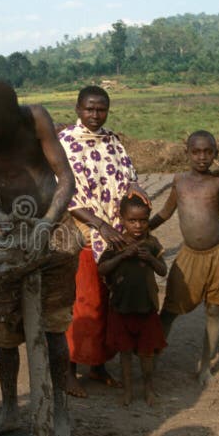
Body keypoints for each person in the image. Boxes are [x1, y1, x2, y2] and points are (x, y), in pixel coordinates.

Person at [0, 80, 81, 436]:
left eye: (0, 139)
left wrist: (47, 223)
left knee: (54, 327)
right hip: (11, 238)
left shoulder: (36, 119)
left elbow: (66, 179)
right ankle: (10, 408)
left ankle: (60, 413)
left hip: (55, 232)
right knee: (6, 333)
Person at [57, 86, 148, 398]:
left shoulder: (113, 141)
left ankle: (97, 365)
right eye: (89, 109)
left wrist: (136, 190)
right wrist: (99, 225)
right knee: (85, 302)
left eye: (101, 109)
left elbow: (129, 175)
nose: (95, 115)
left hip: (115, 233)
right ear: (77, 108)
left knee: (109, 303)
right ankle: (69, 371)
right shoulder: (66, 143)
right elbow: (66, 192)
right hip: (84, 234)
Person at [150, 130, 219, 386]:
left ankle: (205, 366)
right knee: (169, 310)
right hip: (190, 256)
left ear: (215, 153)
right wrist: (140, 230)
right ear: (187, 153)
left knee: (214, 310)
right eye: (196, 152)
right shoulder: (179, 181)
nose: (202, 157)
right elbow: (165, 213)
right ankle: (152, 360)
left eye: (208, 152)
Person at [98, 194, 167, 406]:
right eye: (132, 221)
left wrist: (151, 259)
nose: (138, 225)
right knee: (125, 354)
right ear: (122, 220)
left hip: (146, 307)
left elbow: (163, 270)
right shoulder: (115, 244)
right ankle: (127, 391)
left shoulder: (152, 244)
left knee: (146, 354)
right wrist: (122, 256)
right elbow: (101, 268)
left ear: (147, 220)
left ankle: (149, 389)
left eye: (143, 220)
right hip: (121, 307)